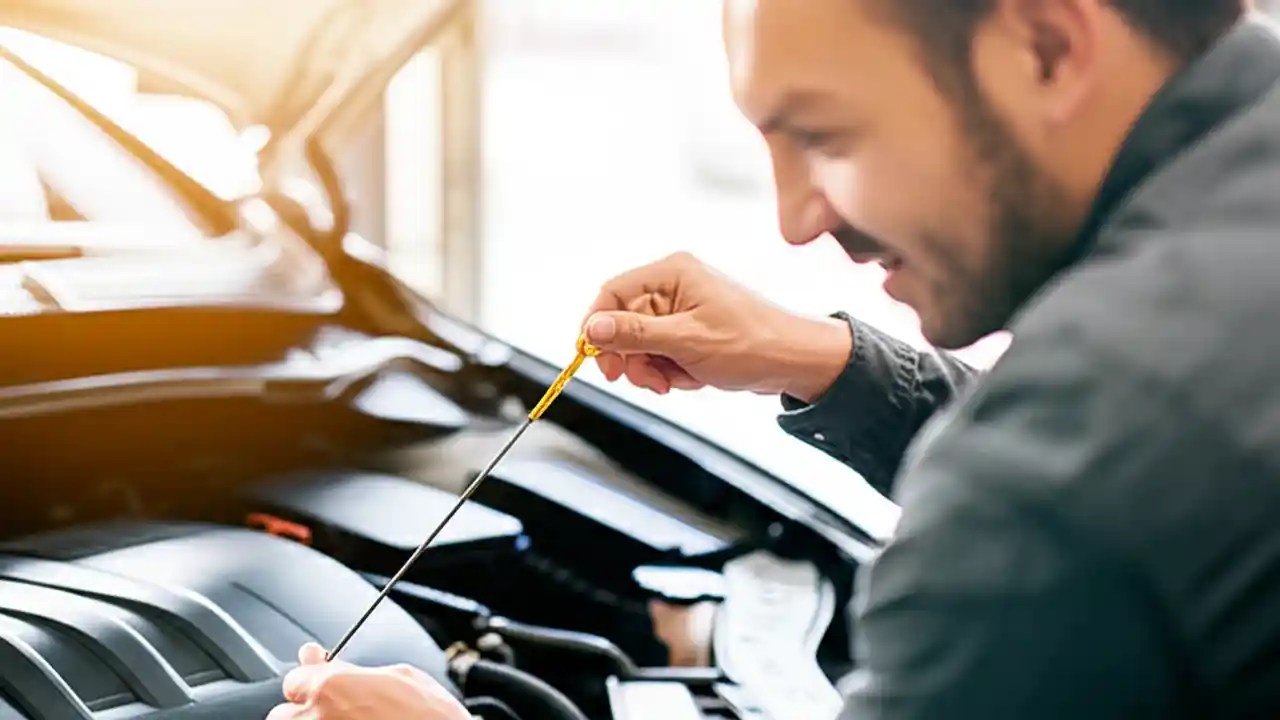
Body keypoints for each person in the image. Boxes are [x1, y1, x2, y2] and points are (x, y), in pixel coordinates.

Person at [268, 0, 1280, 717]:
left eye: (824, 135)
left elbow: (1098, 461)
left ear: (1047, 46)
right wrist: (823, 363)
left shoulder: (1073, 456)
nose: (798, 222)